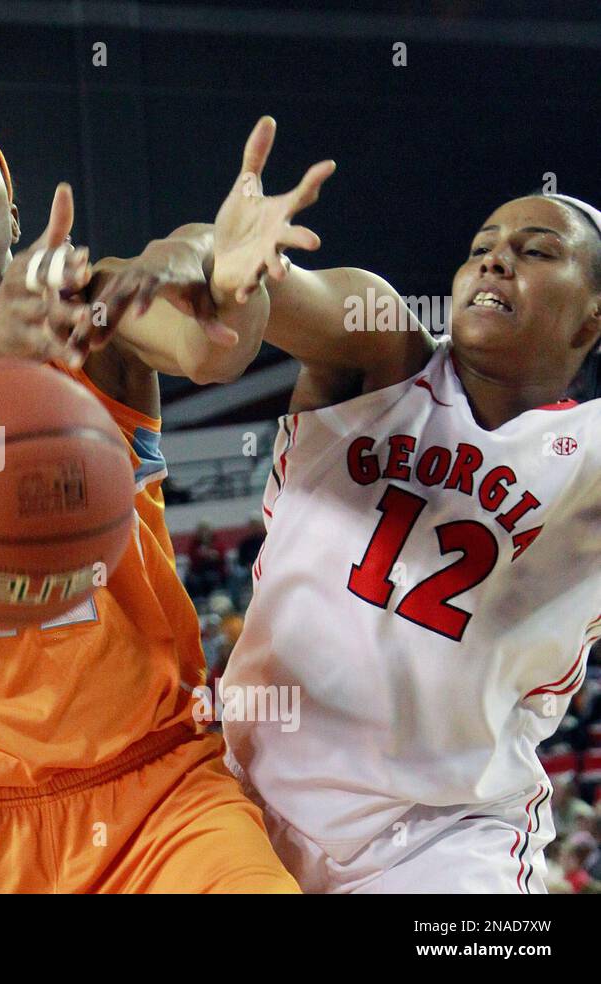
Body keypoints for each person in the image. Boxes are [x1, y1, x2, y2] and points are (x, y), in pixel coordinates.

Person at [0, 109, 330, 892]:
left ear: (14, 214)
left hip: (155, 787)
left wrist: (229, 280)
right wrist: (0, 331)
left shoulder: (95, 304)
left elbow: (209, 349)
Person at [207, 178, 601, 891]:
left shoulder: (592, 454)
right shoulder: (384, 351)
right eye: (482, 248)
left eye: (537, 251)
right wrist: (238, 266)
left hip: (440, 840)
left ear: (592, 318)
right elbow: (286, 298)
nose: (495, 261)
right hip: (242, 795)